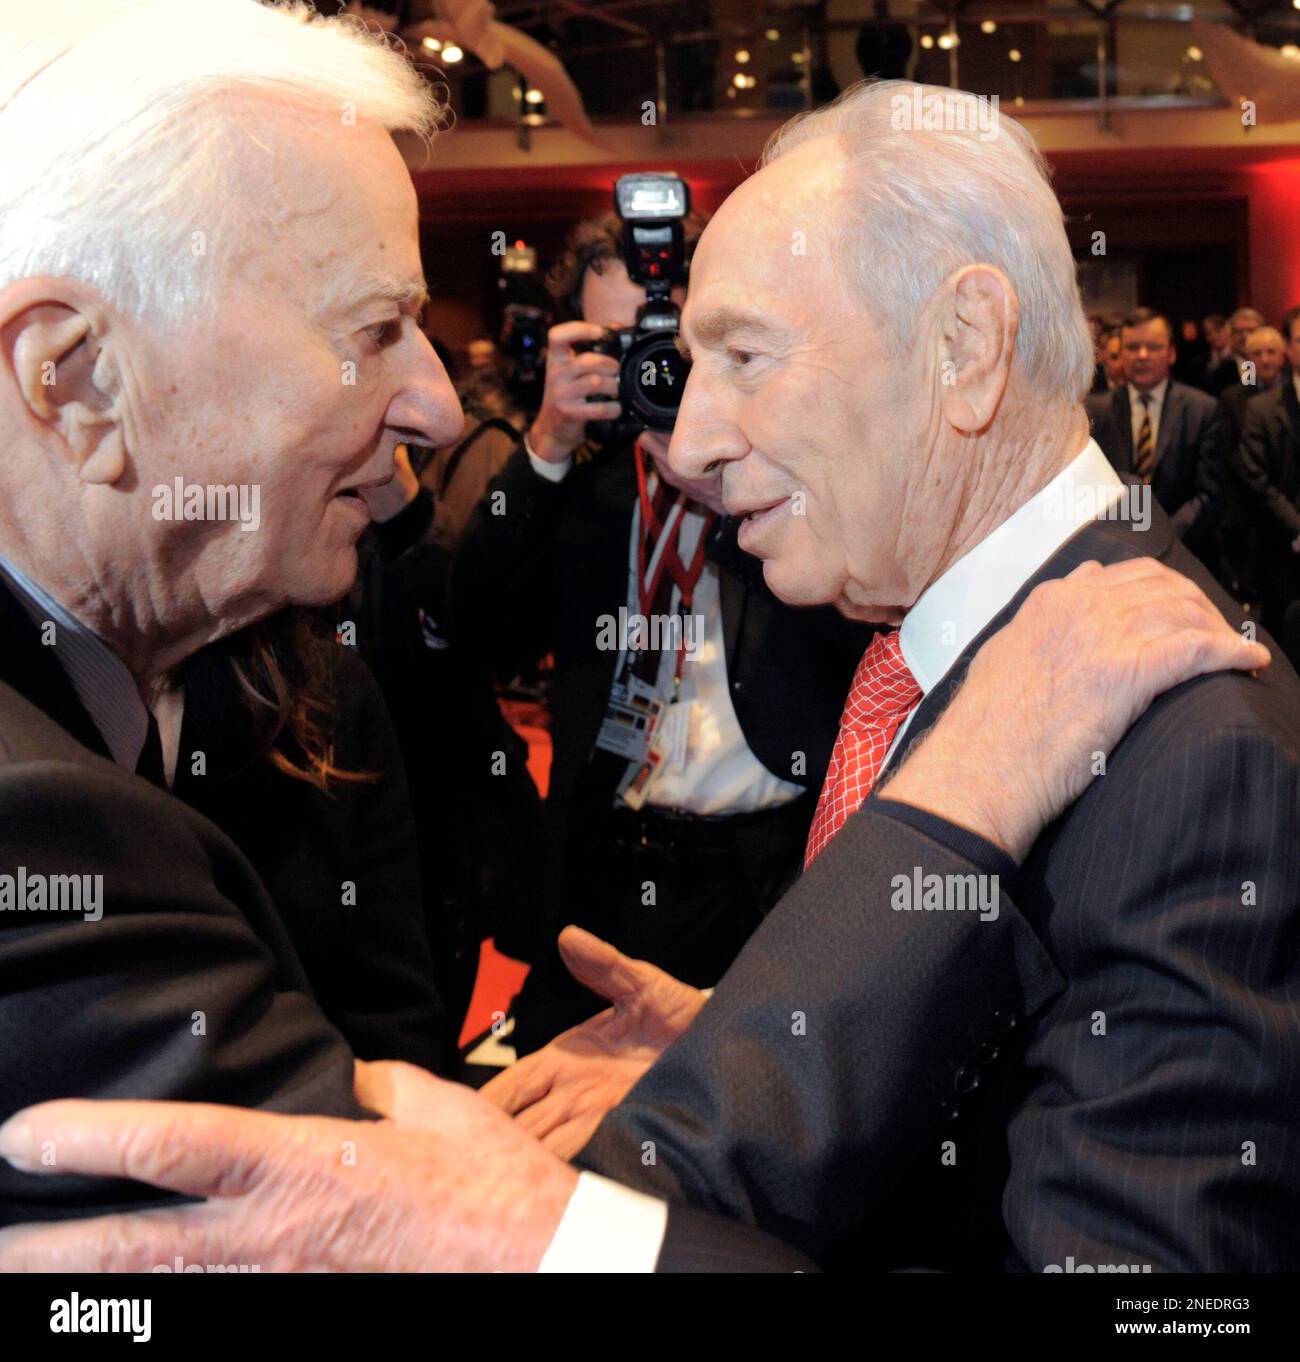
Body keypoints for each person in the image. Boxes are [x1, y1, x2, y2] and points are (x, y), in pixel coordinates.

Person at [0, 74, 1287, 1274]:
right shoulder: (973, 662)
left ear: (963, 345)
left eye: (746, 358)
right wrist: (760, 1044)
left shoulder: (1187, 746)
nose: (698, 443)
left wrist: (540, 1237)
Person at [448, 211, 869, 1052]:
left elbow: (855, 643)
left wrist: (727, 495)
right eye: (614, 340)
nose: (650, 364)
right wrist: (547, 445)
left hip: (764, 874)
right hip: (606, 863)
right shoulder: (579, 482)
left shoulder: (797, 468)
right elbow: (481, 631)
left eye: (670, 338)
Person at [1085, 307, 1223, 568]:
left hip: (1186, 553)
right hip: (1114, 556)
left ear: (1171, 353)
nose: (1142, 356)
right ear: (1121, 353)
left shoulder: (1201, 409)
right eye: (1133, 347)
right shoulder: (1096, 411)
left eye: (1152, 347)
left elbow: (1209, 494)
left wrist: (1161, 540)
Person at [1235, 305, 1300, 669]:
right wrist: (1296, 528)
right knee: (1282, 660)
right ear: (1290, 349)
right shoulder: (1262, 408)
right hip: (1282, 550)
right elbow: (1254, 477)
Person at [1205, 306, 1265, 395]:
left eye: (1251, 330)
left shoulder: (1276, 368)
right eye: (1238, 331)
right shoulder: (1220, 372)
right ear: (1230, 335)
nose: (1245, 337)